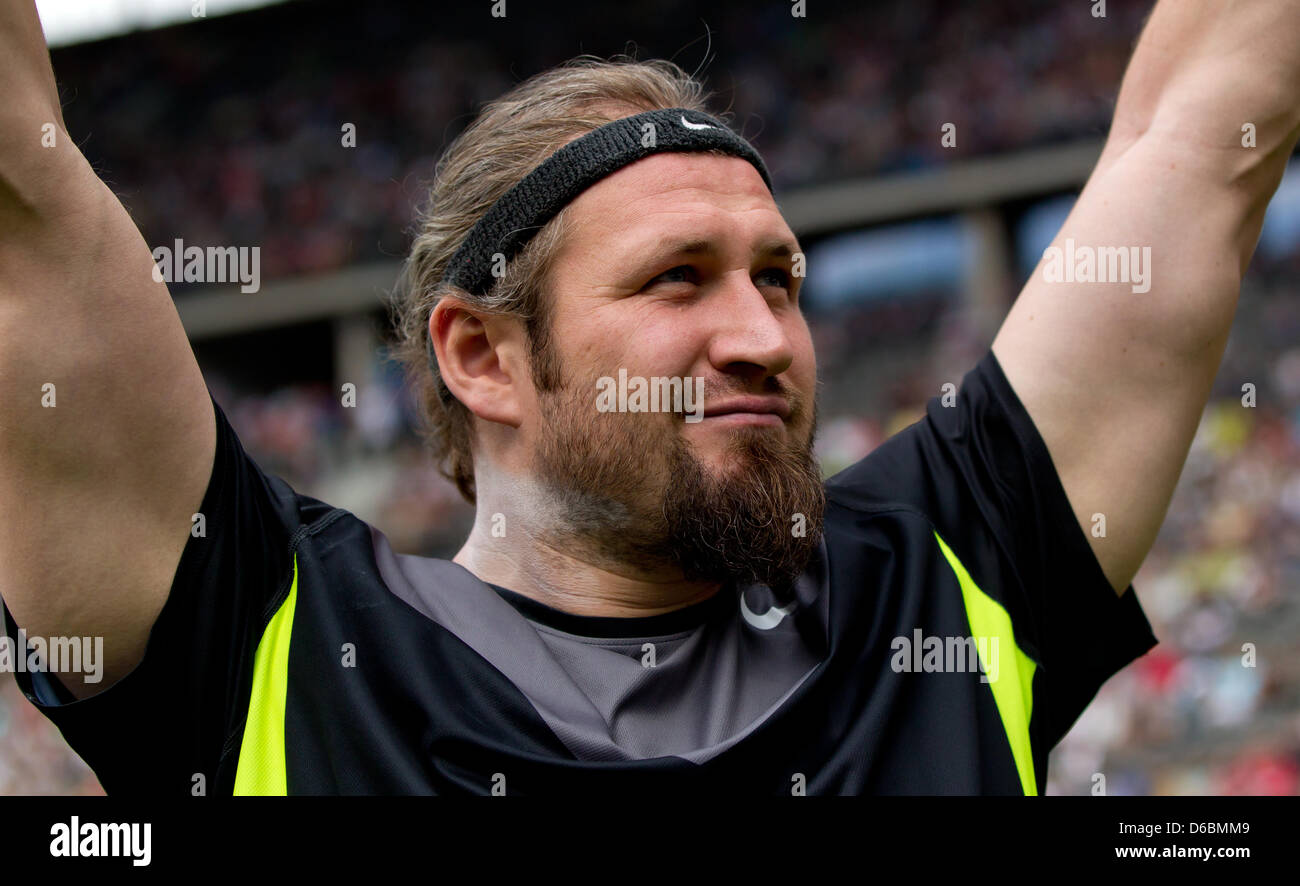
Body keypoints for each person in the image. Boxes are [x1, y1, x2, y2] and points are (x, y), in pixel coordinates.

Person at [2, 0, 1297, 795]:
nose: (764, 334)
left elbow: (1207, 121)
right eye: (678, 280)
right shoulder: (272, 648)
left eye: (780, 278)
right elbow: (21, 191)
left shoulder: (950, 575)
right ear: (482, 355)